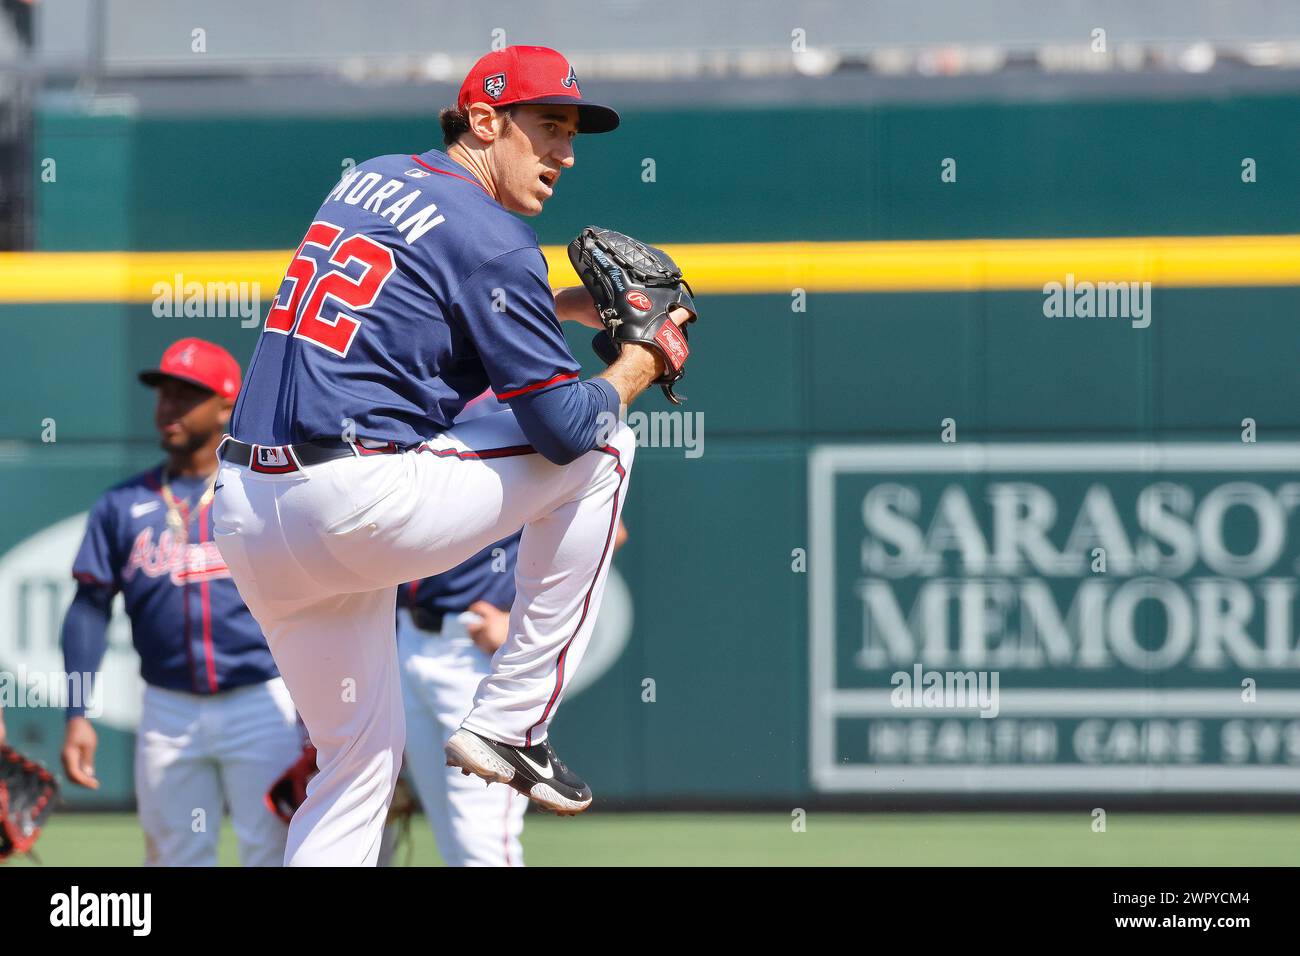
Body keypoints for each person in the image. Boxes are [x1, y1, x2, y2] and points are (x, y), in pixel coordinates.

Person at [212, 44, 693, 865]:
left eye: (572, 135)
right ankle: (514, 723)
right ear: (483, 119)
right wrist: (642, 359)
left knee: (356, 766)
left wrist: (566, 304)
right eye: (547, 128)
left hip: (247, 510)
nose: (565, 156)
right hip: (351, 500)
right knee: (609, 441)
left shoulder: (368, 177)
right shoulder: (496, 237)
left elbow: (433, 291)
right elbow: (564, 430)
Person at [61, 338, 303, 866]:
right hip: (167, 708)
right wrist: (78, 711)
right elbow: (87, 608)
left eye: (187, 394)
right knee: (174, 857)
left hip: (262, 700)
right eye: (164, 394)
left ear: (226, 405)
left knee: (275, 851)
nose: (168, 407)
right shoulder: (123, 504)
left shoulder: (264, 492)